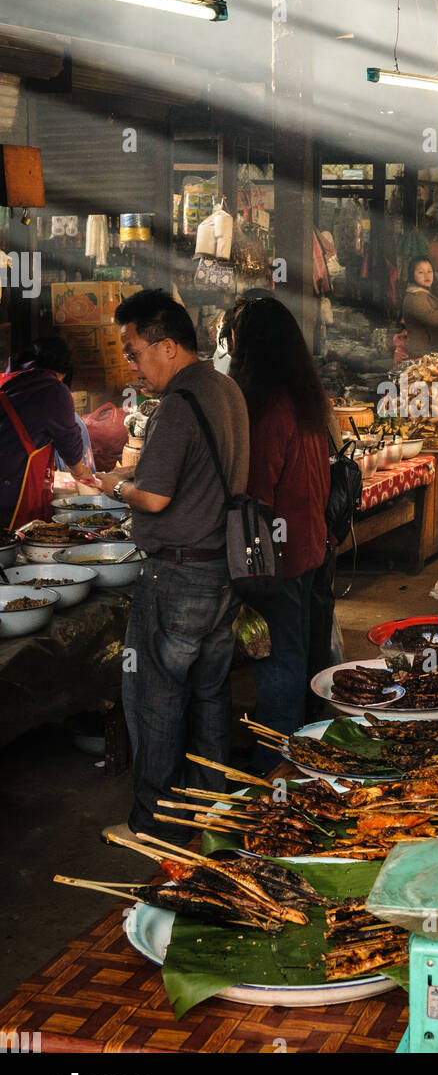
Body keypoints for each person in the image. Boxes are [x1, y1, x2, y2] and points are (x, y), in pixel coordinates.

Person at [96, 289, 249, 842]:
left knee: (155, 701)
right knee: (209, 694)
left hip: (177, 577)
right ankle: (212, 809)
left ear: (166, 345)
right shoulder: (226, 388)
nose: (132, 366)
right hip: (222, 569)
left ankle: (154, 826)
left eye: (134, 352)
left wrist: (115, 486)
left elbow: (155, 498)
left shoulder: (180, 404)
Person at [224, 296, 331, 770]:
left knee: (278, 663)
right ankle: (295, 754)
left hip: (276, 558)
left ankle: (275, 769)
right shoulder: (305, 397)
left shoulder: (269, 407)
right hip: (306, 547)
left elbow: (257, 492)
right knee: (295, 654)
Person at [0, 337, 98, 528]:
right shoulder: (52, 389)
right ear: (62, 371)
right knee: (19, 539)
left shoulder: (6, 381)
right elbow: (69, 441)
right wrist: (81, 471)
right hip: (13, 494)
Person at [400, 256, 438, 358]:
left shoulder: (429, 292)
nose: (427, 275)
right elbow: (432, 318)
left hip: (437, 353)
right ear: (412, 275)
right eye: (421, 272)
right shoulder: (415, 296)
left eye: (430, 271)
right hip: (424, 355)